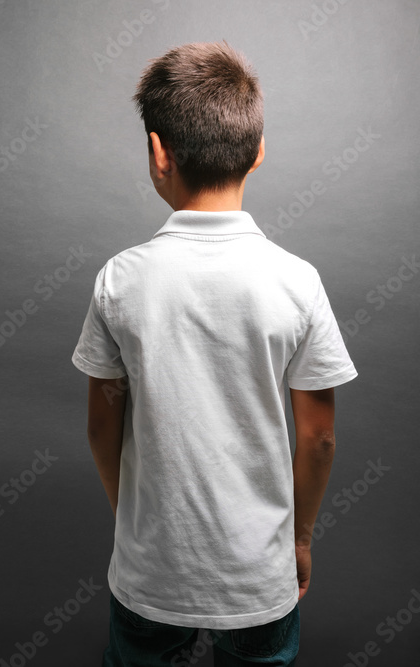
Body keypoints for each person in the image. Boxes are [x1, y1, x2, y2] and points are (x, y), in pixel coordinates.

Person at [71, 41, 356, 665]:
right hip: (261, 574)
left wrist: (137, 522)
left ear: (157, 153)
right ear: (258, 153)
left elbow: (100, 425)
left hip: (150, 569)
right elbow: (320, 437)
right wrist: (300, 541)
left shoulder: (119, 280)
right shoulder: (297, 281)